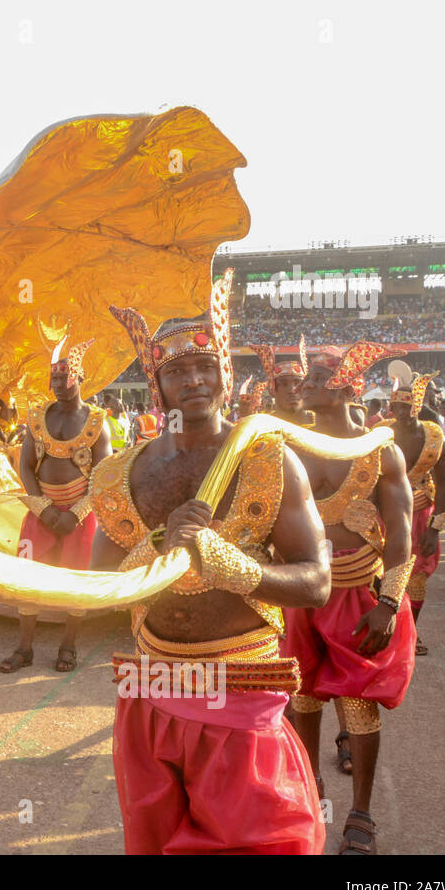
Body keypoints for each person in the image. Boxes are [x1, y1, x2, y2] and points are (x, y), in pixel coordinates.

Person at [96, 274, 330, 855]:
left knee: (265, 841)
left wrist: (237, 569)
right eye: (177, 370)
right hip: (151, 688)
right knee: (155, 842)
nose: (194, 380)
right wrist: (156, 549)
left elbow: (317, 582)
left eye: (205, 366)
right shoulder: (115, 476)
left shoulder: (272, 462)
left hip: (241, 684)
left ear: (225, 373)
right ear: (157, 383)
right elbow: (96, 588)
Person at [285, 341, 415, 855]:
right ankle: (307, 790)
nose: (304, 387)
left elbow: (401, 532)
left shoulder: (382, 450)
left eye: (314, 380)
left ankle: (360, 812)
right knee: (302, 694)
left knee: (359, 703)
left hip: (359, 592)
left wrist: (388, 601)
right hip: (302, 588)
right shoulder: (292, 445)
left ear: (342, 387)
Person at [0, 337, 110, 674]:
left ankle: (68, 645)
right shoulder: (36, 418)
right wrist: (43, 508)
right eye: (54, 379)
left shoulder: (97, 423)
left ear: (81, 378)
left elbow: (102, 477)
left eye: (65, 378)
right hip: (41, 511)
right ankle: (24, 647)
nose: (58, 385)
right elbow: (26, 467)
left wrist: (77, 513)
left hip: (81, 514)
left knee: (77, 581)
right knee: (28, 577)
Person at [380, 372, 445, 653]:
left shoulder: (435, 438)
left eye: (409, 407)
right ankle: (386, 629)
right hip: (384, 514)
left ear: (418, 406)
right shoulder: (381, 434)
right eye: (398, 407)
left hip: (421, 515)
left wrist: (435, 528)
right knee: (383, 573)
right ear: (392, 408)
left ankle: (411, 636)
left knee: (416, 577)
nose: (403, 413)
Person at [250, 336, 312, 426]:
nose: (292, 390)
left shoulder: (324, 426)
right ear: (272, 389)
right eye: (284, 384)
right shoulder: (259, 428)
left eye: (297, 383)